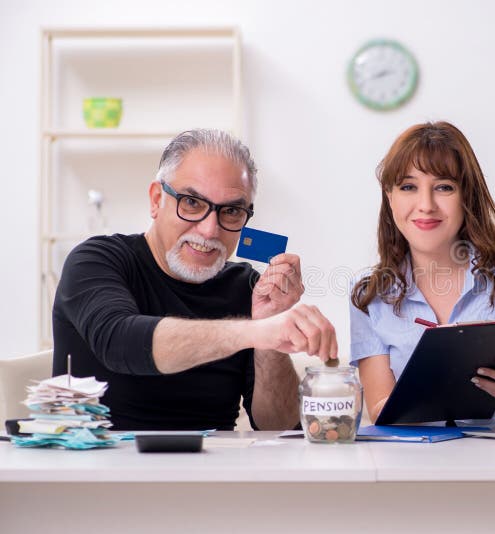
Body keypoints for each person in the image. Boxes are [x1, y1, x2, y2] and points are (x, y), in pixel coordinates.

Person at [53, 129, 337, 431]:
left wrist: (270, 339)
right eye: (191, 203)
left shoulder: (247, 288)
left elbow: (278, 425)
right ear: (156, 199)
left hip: (212, 470)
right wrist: (256, 332)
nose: (209, 230)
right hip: (96, 468)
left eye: (230, 211)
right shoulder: (96, 260)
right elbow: (122, 342)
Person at [349, 121, 495, 430]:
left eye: (444, 187)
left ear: (467, 195)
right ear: (389, 196)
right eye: (408, 187)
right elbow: (378, 409)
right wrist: (434, 378)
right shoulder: (368, 293)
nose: (425, 205)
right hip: (417, 466)